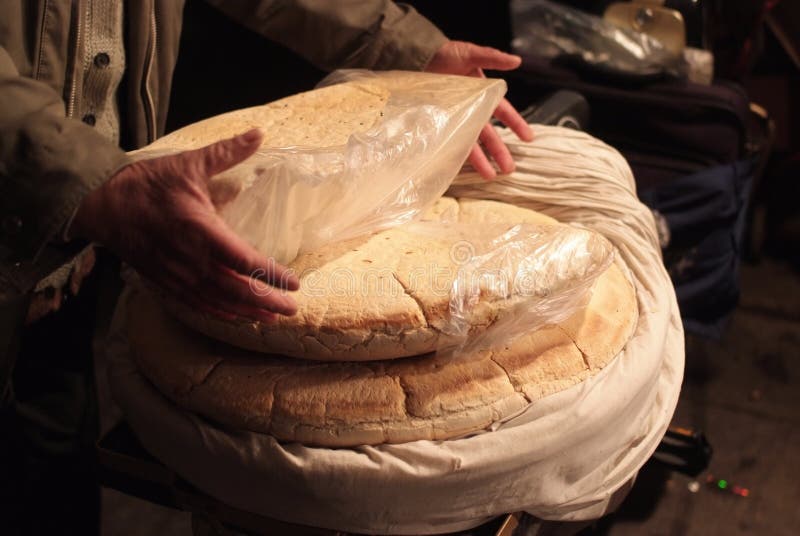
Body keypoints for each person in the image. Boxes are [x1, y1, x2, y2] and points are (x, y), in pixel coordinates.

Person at [0, 1, 533, 534]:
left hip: (60, 269)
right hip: (33, 221)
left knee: (49, 482)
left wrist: (405, 46)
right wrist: (91, 184)